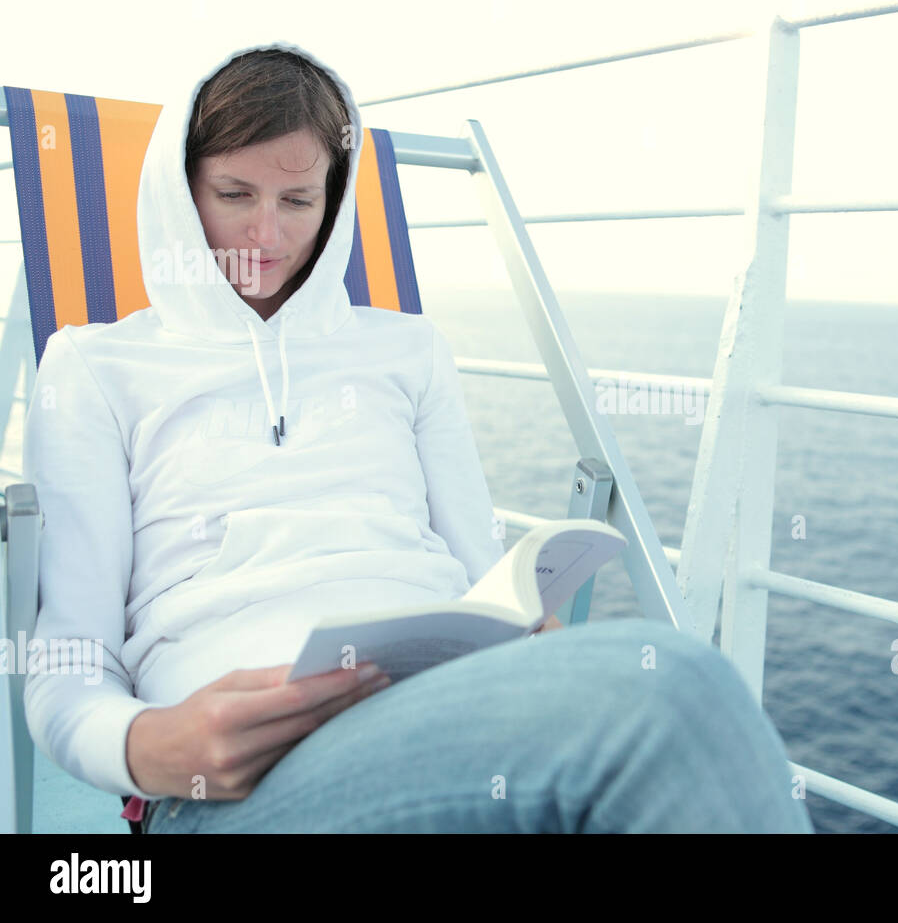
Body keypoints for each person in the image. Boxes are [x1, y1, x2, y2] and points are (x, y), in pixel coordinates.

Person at [21, 42, 814, 833]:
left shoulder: (407, 350)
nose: (263, 233)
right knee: (676, 692)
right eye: (234, 193)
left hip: (444, 716)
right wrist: (153, 747)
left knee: (657, 707)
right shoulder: (97, 368)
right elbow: (66, 668)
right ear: (180, 189)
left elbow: (479, 577)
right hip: (236, 781)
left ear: (334, 204)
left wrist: (524, 629)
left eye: (298, 202)